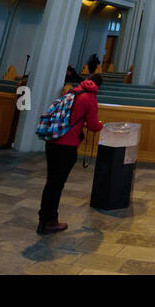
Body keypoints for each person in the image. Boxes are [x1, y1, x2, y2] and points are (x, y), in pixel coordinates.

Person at [38, 74, 103, 235]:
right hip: (67, 145)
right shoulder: (89, 97)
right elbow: (94, 125)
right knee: (57, 184)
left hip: (53, 140)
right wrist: (98, 125)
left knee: (51, 182)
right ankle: (49, 221)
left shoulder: (73, 92)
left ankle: (45, 220)